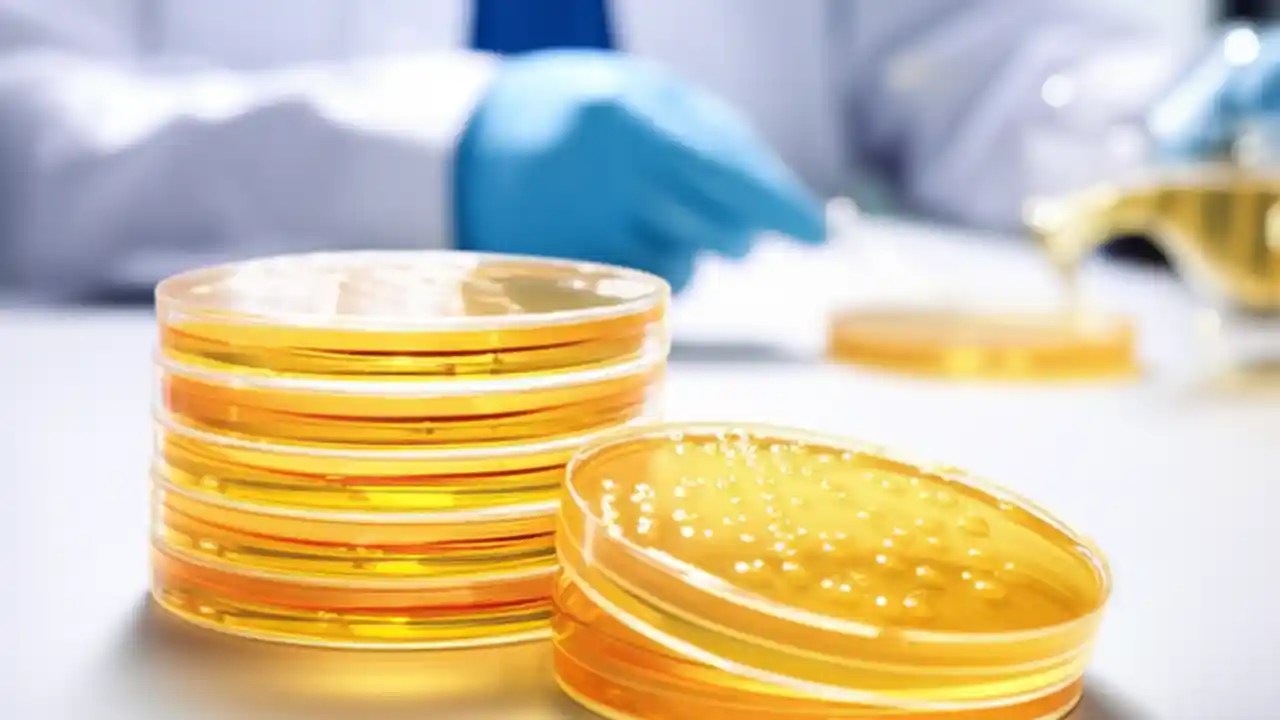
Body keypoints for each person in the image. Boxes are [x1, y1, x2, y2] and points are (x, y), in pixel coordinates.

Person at [0, 1, 1271, 297]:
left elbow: (977, 46)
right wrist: (413, 154)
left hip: (744, 401)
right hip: (192, 453)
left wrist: (1165, 122)